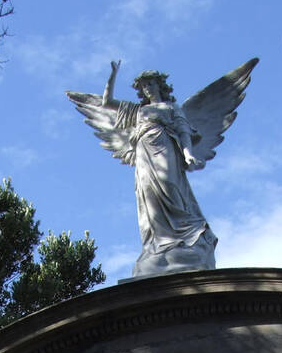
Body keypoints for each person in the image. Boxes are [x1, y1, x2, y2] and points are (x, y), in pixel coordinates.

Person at [66, 57, 258, 278]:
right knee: (149, 198)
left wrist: (187, 154)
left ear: (159, 85)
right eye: (143, 85)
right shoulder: (136, 111)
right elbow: (106, 102)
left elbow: (184, 131)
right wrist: (112, 75)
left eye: (150, 83)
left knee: (170, 188)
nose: (147, 88)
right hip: (144, 155)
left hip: (165, 151)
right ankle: (158, 244)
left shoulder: (170, 107)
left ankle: (184, 238)